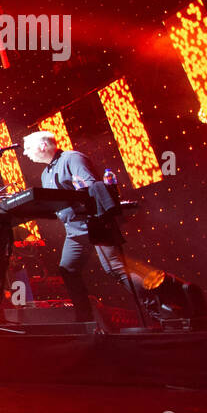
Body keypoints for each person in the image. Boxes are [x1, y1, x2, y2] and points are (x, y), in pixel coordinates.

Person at [22, 131, 144, 324]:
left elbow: (93, 188)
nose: (25, 153)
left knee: (115, 269)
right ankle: (84, 318)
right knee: (67, 269)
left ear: (43, 146)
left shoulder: (72, 158)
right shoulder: (46, 173)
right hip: (75, 231)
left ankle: (157, 300)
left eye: (28, 148)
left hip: (93, 224)